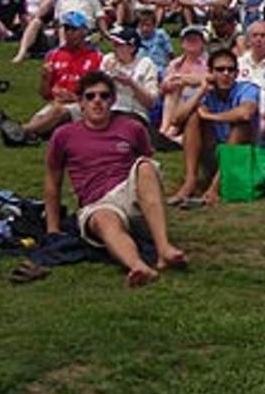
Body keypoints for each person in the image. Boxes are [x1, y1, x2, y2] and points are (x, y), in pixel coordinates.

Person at [45, 71, 187, 287]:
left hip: (131, 193)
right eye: (90, 96)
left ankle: (163, 249)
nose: (97, 102)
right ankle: (138, 266)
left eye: (104, 96)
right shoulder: (64, 135)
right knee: (104, 219)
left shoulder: (132, 128)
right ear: (80, 102)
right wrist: (53, 229)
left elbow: (147, 166)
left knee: (146, 167)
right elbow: (53, 182)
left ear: (112, 100)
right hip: (97, 203)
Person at [166, 48, 260, 206]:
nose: (225, 74)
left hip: (241, 157)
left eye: (230, 70)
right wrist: (201, 91)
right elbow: (175, 120)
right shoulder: (206, 92)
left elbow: (245, 113)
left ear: (237, 73)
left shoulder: (248, 89)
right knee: (193, 117)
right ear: (210, 72)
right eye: (220, 69)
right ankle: (190, 181)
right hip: (213, 152)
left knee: (240, 127)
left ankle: (214, 189)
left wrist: (211, 117)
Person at [0, 10, 102, 145]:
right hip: (56, 103)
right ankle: (26, 136)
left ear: (84, 31)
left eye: (74, 29)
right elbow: (45, 95)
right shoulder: (53, 55)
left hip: (83, 106)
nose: (69, 33)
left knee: (58, 112)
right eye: (66, 28)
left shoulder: (96, 58)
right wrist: (45, 79)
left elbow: (101, 93)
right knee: (42, 117)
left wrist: (74, 97)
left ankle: (20, 131)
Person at [157, 25, 209, 142]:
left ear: (203, 43)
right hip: (175, 101)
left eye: (195, 39)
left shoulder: (209, 62)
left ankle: (168, 134)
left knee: (180, 88)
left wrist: (181, 79)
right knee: (173, 91)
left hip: (199, 100)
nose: (191, 42)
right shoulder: (174, 64)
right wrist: (166, 86)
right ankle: (165, 130)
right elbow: (162, 89)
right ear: (182, 43)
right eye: (188, 39)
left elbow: (206, 79)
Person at [101, 25, 159, 123]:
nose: (114, 48)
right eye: (114, 44)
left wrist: (131, 84)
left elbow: (150, 103)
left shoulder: (146, 64)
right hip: (109, 112)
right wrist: (105, 77)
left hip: (135, 114)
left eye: (118, 45)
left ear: (132, 48)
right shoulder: (108, 59)